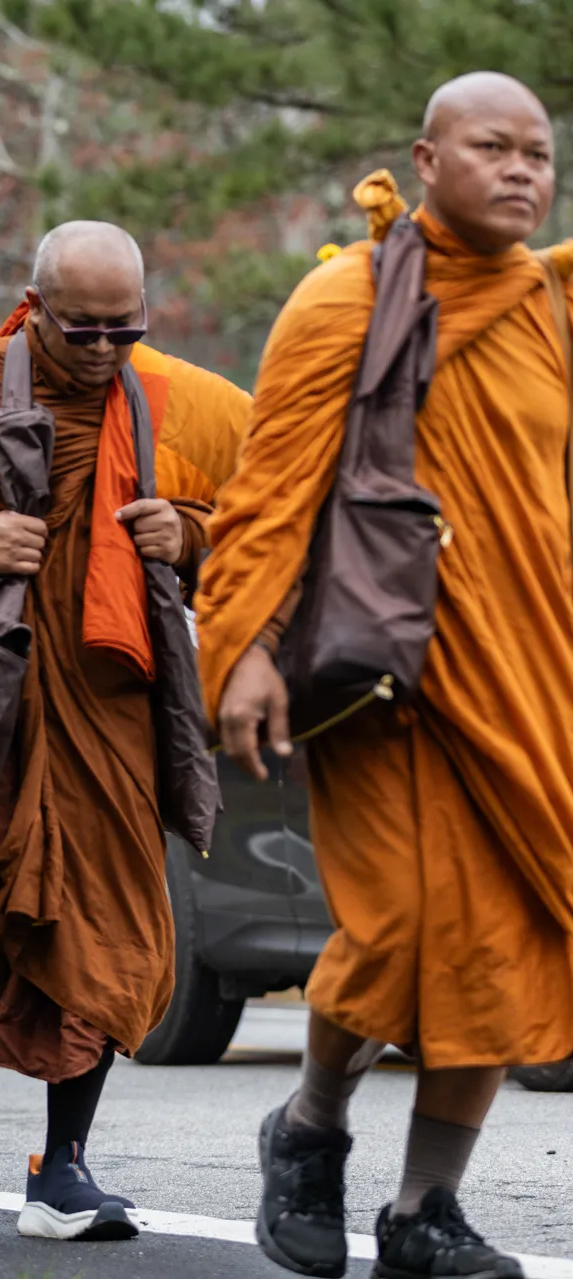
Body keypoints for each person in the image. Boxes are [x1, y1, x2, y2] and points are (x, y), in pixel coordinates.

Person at [201, 73, 571, 1279]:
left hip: (532, 672)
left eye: (540, 153)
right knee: (403, 924)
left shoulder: (545, 305)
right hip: (388, 673)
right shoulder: (343, 298)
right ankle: (309, 1127)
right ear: (425, 156)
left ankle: (425, 1209)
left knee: (502, 939)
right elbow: (268, 493)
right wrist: (244, 645)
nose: (522, 169)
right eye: (492, 147)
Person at [0, 222, 250, 1239]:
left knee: (118, 928)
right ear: (33, 306)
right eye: (87, 332)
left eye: (130, 329)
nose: (110, 350)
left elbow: (250, 523)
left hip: (112, 708)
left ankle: (62, 1164)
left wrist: (188, 533)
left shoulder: (162, 400)